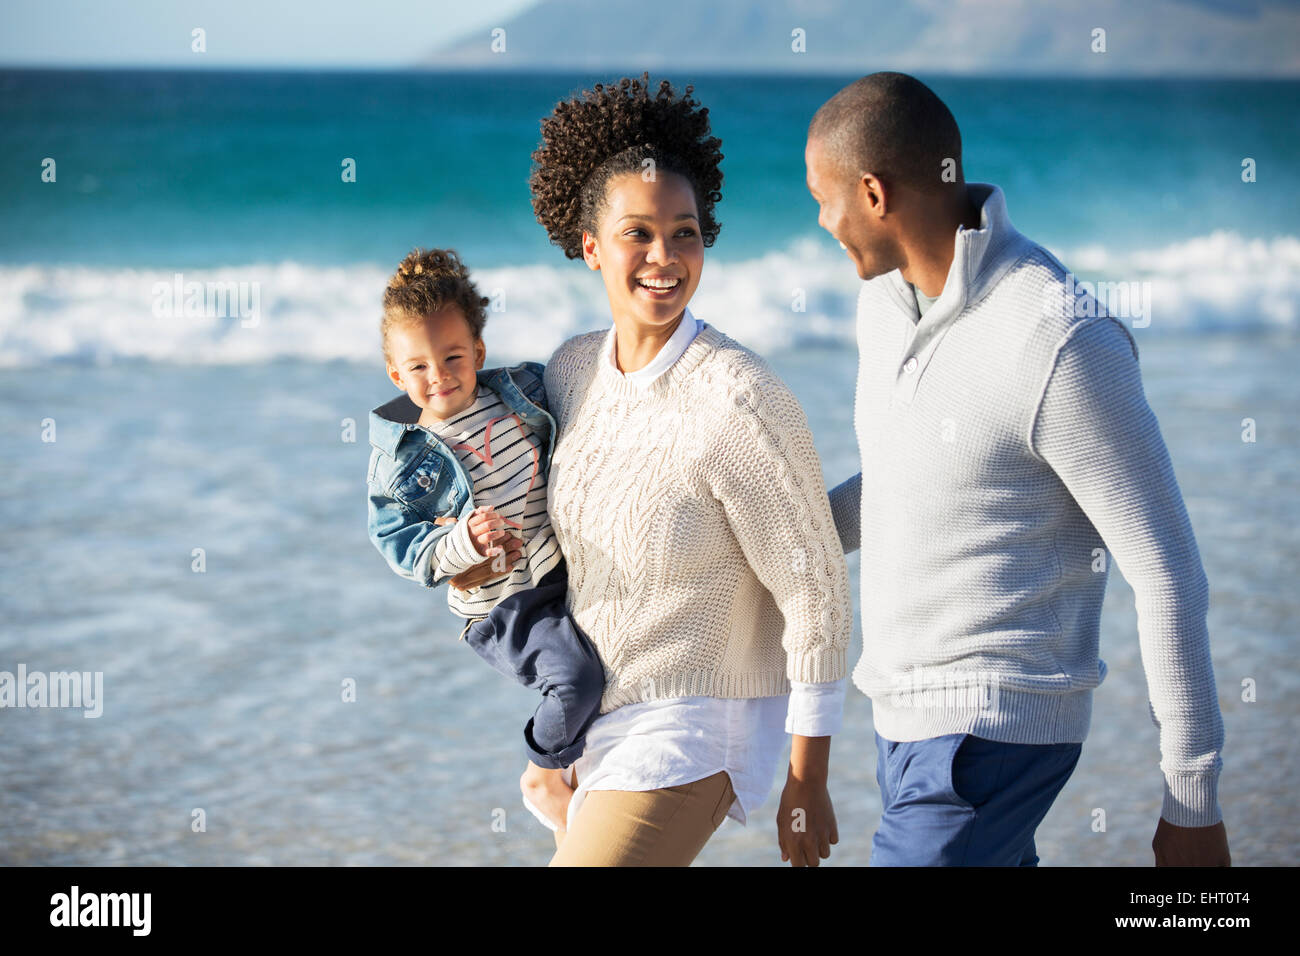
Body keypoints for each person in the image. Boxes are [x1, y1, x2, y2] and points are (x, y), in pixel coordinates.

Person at [806, 72, 1230, 866]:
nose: (821, 222)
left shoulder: (1059, 339)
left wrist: (1193, 797)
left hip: (994, 725)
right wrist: (772, 544)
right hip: (900, 720)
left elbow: (1168, 568)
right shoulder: (883, 307)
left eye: (822, 198)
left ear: (872, 193)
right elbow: (912, 488)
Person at [454, 74, 853, 866]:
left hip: (696, 721)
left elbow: (814, 589)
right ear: (591, 245)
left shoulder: (739, 397)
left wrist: (808, 781)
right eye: (638, 233)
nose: (665, 258)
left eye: (686, 232)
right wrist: (475, 566)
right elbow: (543, 530)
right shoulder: (569, 372)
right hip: (598, 719)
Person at [365, 247, 605, 828]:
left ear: (478, 350)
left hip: (560, 571)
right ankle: (543, 773)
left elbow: (589, 392)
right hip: (504, 607)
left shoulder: (516, 394)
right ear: (396, 373)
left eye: (453, 356)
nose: (439, 376)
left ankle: (590, 772)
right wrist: (464, 545)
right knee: (577, 681)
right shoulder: (403, 459)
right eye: (418, 366)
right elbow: (400, 546)